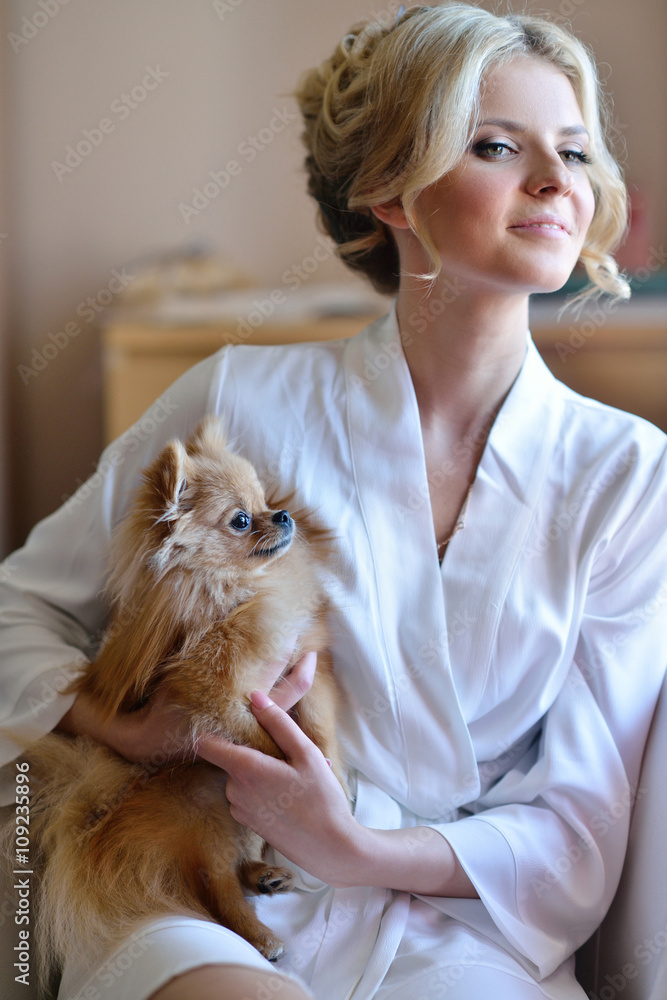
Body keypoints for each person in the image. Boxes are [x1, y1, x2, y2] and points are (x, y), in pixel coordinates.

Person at [1, 3, 666, 999]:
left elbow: (579, 826)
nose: (553, 181)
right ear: (390, 192)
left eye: (573, 151)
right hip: (204, 889)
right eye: (495, 145)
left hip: (460, 921)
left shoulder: (626, 475)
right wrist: (129, 728)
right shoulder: (240, 399)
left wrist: (356, 845)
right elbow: (22, 606)